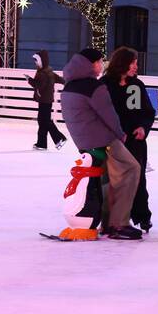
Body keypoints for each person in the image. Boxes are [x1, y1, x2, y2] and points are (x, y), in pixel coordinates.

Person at [60, 48, 142, 240]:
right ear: (89, 64)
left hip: (84, 143)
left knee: (106, 179)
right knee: (131, 169)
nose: (101, 65)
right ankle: (118, 224)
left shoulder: (69, 87)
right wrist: (120, 134)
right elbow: (109, 115)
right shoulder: (94, 87)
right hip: (104, 140)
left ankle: (107, 222)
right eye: (98, 62)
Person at [104, 47, 156, 234]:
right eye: (132, 62)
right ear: (122, 63)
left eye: (136, 62)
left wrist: (144, 127)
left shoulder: (137, 85)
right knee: (113, 181)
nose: (136, 66)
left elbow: (148, 112)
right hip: (113, 141)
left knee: (138, 178)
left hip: (135, 142)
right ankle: (110, 219)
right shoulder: (105, 85)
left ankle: (142, 216)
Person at [26, 50, 66, 151]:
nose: (35, 62)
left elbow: (39, 85)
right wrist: (67, 82)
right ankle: (42, 143)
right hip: (46, 100)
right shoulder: (49, 71)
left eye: (36, 60)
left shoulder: (43, 73)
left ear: (41, 61)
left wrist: (29, 80)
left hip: (44, 100)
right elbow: (60, 80)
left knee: (45, 121)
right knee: (42, 121)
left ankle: (59, 138)